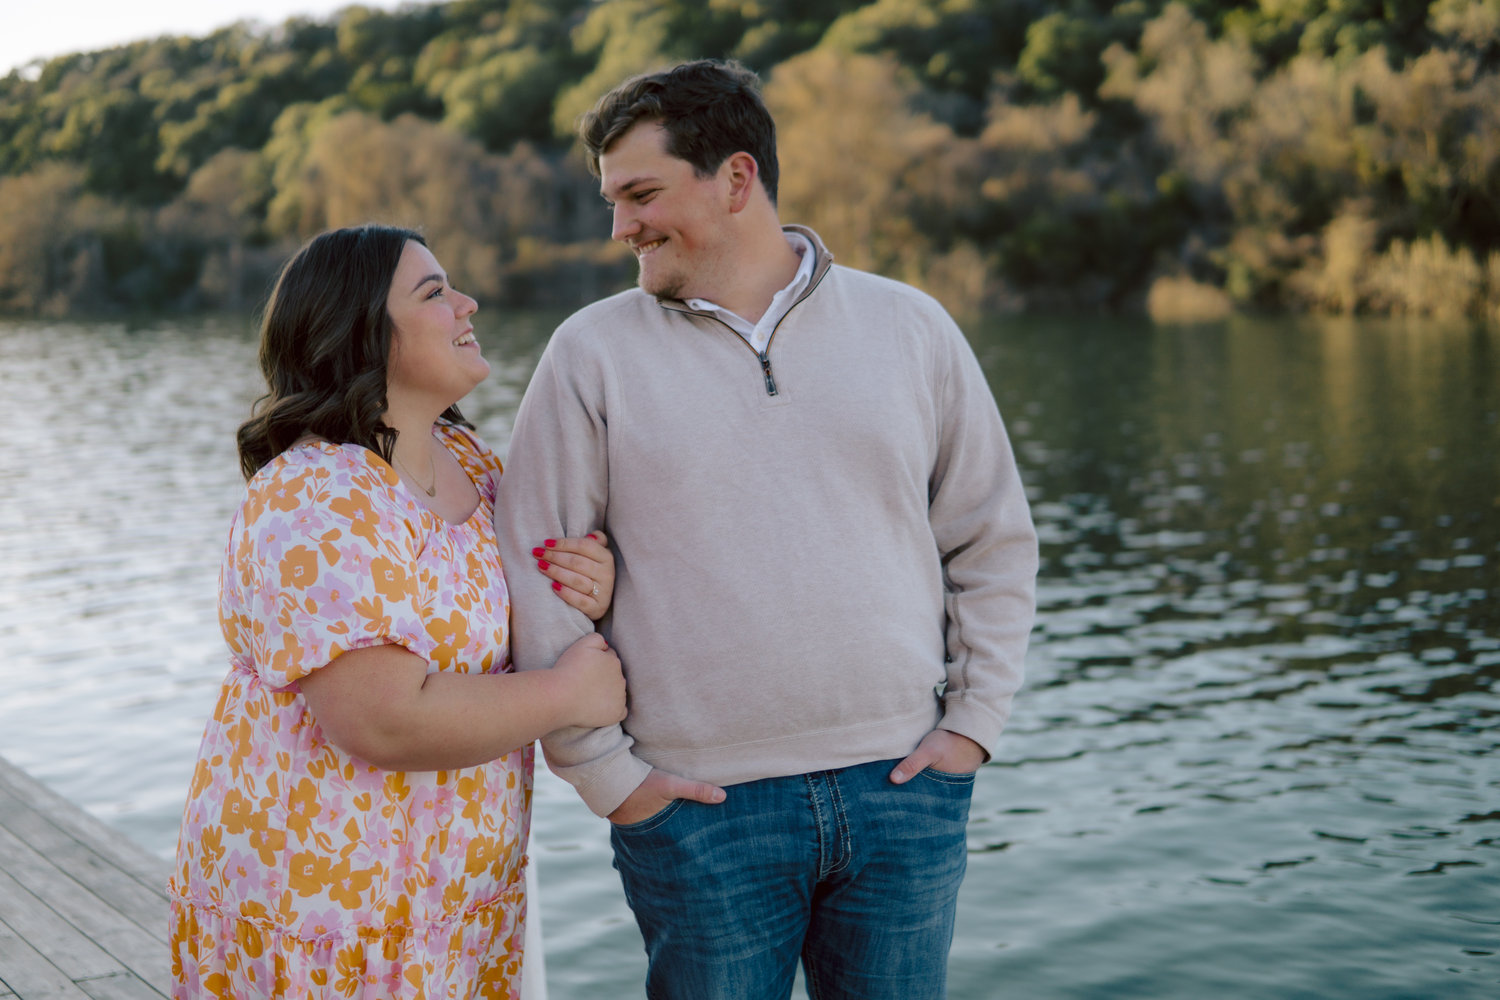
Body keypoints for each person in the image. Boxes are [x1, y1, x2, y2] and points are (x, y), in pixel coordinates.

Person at [493, 59, 1039, 1000]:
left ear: (736, 178)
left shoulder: (911, 326)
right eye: (613, 200)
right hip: (699, 813)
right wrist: (608, 775)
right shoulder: (589, 354)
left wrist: (973, 729)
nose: (620, 226)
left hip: (904, 792)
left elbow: (991, 539)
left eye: (641, 194)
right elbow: (535, 563)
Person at [169, 224, 625, 999]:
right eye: (434, 292)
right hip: (329, 910)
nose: (466, 303)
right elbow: (381, 721)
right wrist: (566, 696)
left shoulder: (475, 467)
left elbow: (521, 613)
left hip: (449, 903)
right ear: (359, 332)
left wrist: (591, 581)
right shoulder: (318, 495)